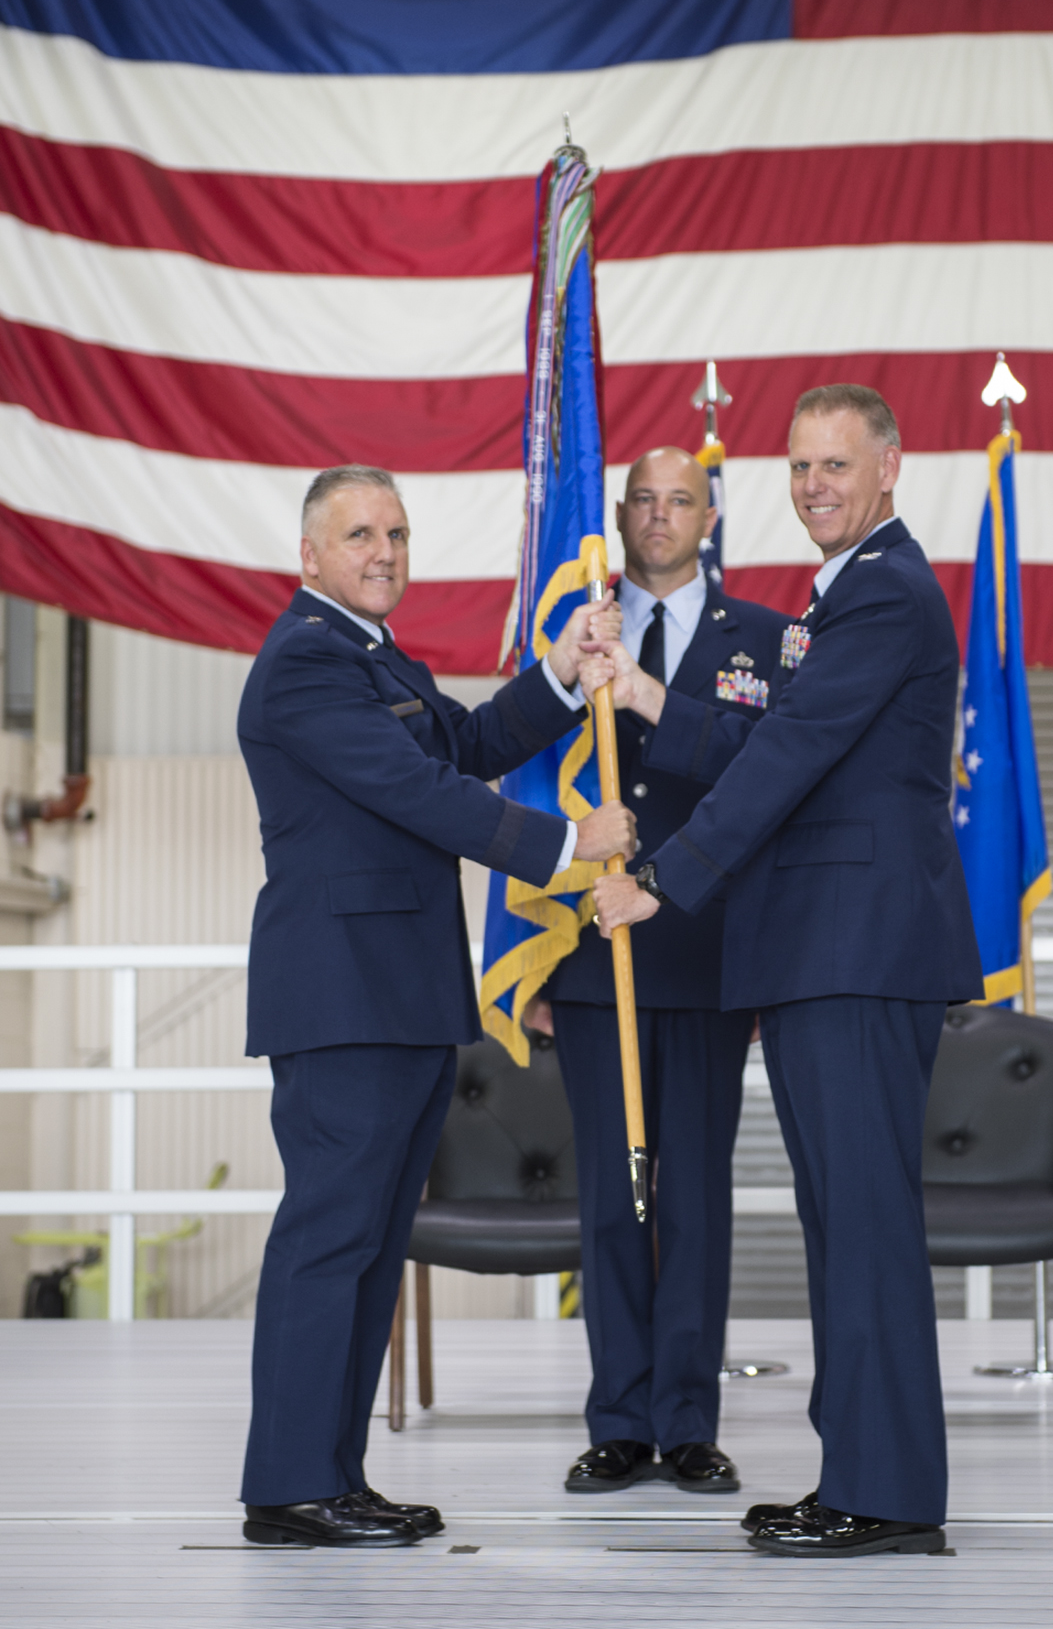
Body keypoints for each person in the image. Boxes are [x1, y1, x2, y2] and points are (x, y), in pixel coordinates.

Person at [592, 386, 984, 1558]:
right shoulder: (849, 592)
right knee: (841, 1226)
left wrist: (659, 877)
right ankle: (861, 1475)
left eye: (837, 464)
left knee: (862, 1226)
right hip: (827, 953)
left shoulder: (884, 592)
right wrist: (655, 698)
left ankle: (889, 1494)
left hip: (856, 952)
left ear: (891, 467)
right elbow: (775, 741)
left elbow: (792, 758)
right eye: (801, 466)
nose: (815, 484)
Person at [237, 464, 635, 1548]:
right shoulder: (306, 665)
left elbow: (459, 747)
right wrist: (566, 845)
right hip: (342, 1000)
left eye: (398, 533)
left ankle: (331, 1473)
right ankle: (285, 1487)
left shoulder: (371, 657)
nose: (383, 552)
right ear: (309, 555)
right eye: (359, 534)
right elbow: (419, 793)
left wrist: (558, 674)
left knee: (370, 1245)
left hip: (402, 997)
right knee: (331, 1239)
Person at [531, 448, 789, 1496]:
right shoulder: (577, 631)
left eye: (680, 498)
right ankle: (618, 1421)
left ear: (711, 514)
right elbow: (523, 770)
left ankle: (687, 1421)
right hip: (595, 955)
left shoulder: (765, 641)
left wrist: (644, 700)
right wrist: (537, 952)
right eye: (643, 498)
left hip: (707, 950)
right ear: (622, 514)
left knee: (693, 1194)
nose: (660, 514)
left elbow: (769, 775)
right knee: (610, 1201)